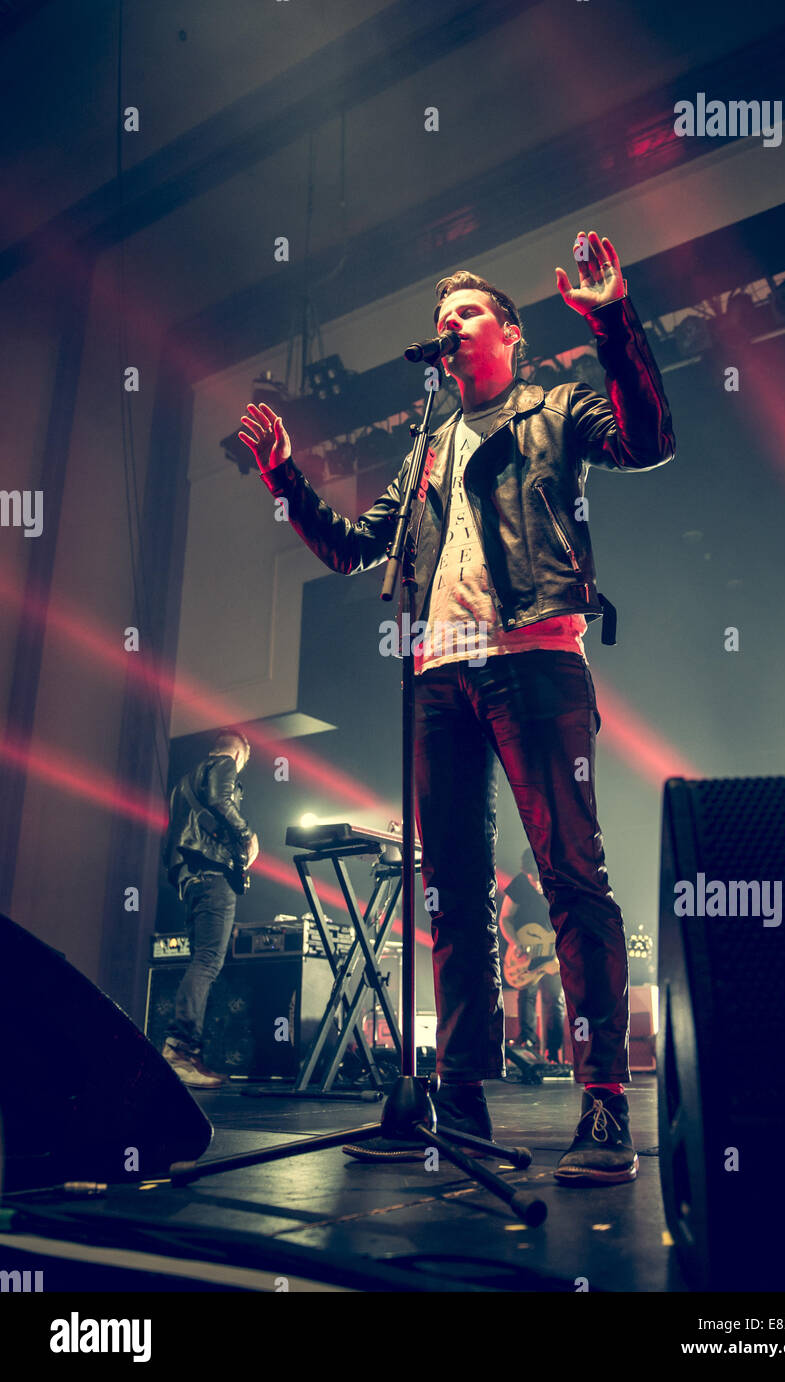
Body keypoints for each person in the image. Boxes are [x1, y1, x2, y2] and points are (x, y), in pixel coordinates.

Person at [238, 230, 675, 1181]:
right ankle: (460, 1103)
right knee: (454, 894)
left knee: (569, 873)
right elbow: (360, 548)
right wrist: (284, 476)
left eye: (468, 313)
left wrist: (611, 320)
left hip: (536, 661)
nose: (450, 326)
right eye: (442, 320)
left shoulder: (554, 410)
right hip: (438, 675)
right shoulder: (426, 448)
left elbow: (651, 439)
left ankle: (602, 1106)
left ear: (511, 333)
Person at [160, 729, 258, 1086]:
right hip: (213, 875)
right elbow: (222, 801)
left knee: (200, 960)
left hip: (191, 876)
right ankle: (180, 1052)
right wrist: (247, 835)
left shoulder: (183, 782)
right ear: (240, 753)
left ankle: (186, 1054)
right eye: (244, 760)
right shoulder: (223, 764)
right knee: (207, 961)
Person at [500, 848, 565, 1063]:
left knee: (555, 1000)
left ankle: (554, 1053)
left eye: (538, 877)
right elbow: (505, 918)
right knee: (526, 995)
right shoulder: (520, 885)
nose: (535, 882)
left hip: (553, 952)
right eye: (531, 877)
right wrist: (516, 943)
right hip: (526, 952)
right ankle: (526, 1044)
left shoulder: (559, 882)